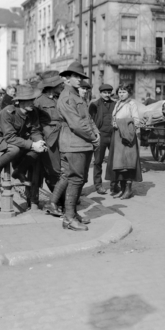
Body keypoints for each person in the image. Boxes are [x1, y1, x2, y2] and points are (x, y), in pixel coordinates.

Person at [52, 61, 99, 231]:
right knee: (75, 180)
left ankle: (72, 214)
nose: (79, 79)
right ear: (67, 79)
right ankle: (69, 218)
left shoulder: (77, 96)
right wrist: (93, 137)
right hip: (74, 144)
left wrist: (95, 133)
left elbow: (87, 119)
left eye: (81, 76)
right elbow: (76, 124)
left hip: (81, 144)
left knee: (79, 179)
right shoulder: (66, 97)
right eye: (76, 76)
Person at [0, 85, 46, 187]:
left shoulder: (33, 112)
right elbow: (10, 137)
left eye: (33, 100)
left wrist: (39, 141)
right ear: (19, 102)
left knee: (41, 148)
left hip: (15, 137)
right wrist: (32, 145)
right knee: (15, 149)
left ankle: (19, 171)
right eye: (28, 100)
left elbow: (35, 131)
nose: (33, 103)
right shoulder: (8, 112)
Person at [34, 71, 66, 217]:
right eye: (60, 84)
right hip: (49, 139)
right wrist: (40, 140)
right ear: (53, 86)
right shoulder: (39, 101)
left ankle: (61, 201)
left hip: (63, 137)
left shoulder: (60, 98)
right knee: (53, 171)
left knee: (64, 170)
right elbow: (35, 125)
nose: (62, 86)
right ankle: (58, 202)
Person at [106, 83, 142, 200]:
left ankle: (128, 190)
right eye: (120, 92)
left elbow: (136, 120)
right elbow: (114, 118)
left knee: (128, 164)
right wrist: (114, 123)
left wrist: (121, 123)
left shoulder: (132, 104)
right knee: (119, 164)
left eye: (124, 92)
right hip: (117, 137)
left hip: (127, 137)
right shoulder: (117, 103)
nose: (121, 94)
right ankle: (122, 189)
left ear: (129, 93)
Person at [89, 83, 115, 195]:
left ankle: (114, 184)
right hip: (101, 135)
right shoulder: (94, 105)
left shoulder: (115, 104)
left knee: (114, 161)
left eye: (109, 93)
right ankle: (98, 185)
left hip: (113, 135)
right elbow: (89, 121)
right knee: (98, 161)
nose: (107, 95)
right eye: (105, 92)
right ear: (100, 93)